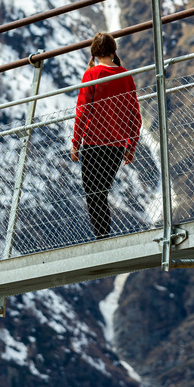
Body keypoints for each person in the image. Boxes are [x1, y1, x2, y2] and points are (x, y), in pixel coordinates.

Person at [70, 32, 142, 239]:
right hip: (117, 146)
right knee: (101, 193)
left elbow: (83, 111)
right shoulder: (125, 76)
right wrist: (131, 145)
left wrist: (75, 142)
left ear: (94, 52)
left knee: (94, 195)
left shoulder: (91, 75)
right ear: (113, 51)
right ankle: (103, 238)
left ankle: (102, 239)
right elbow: (134, 114)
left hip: (93, 143)